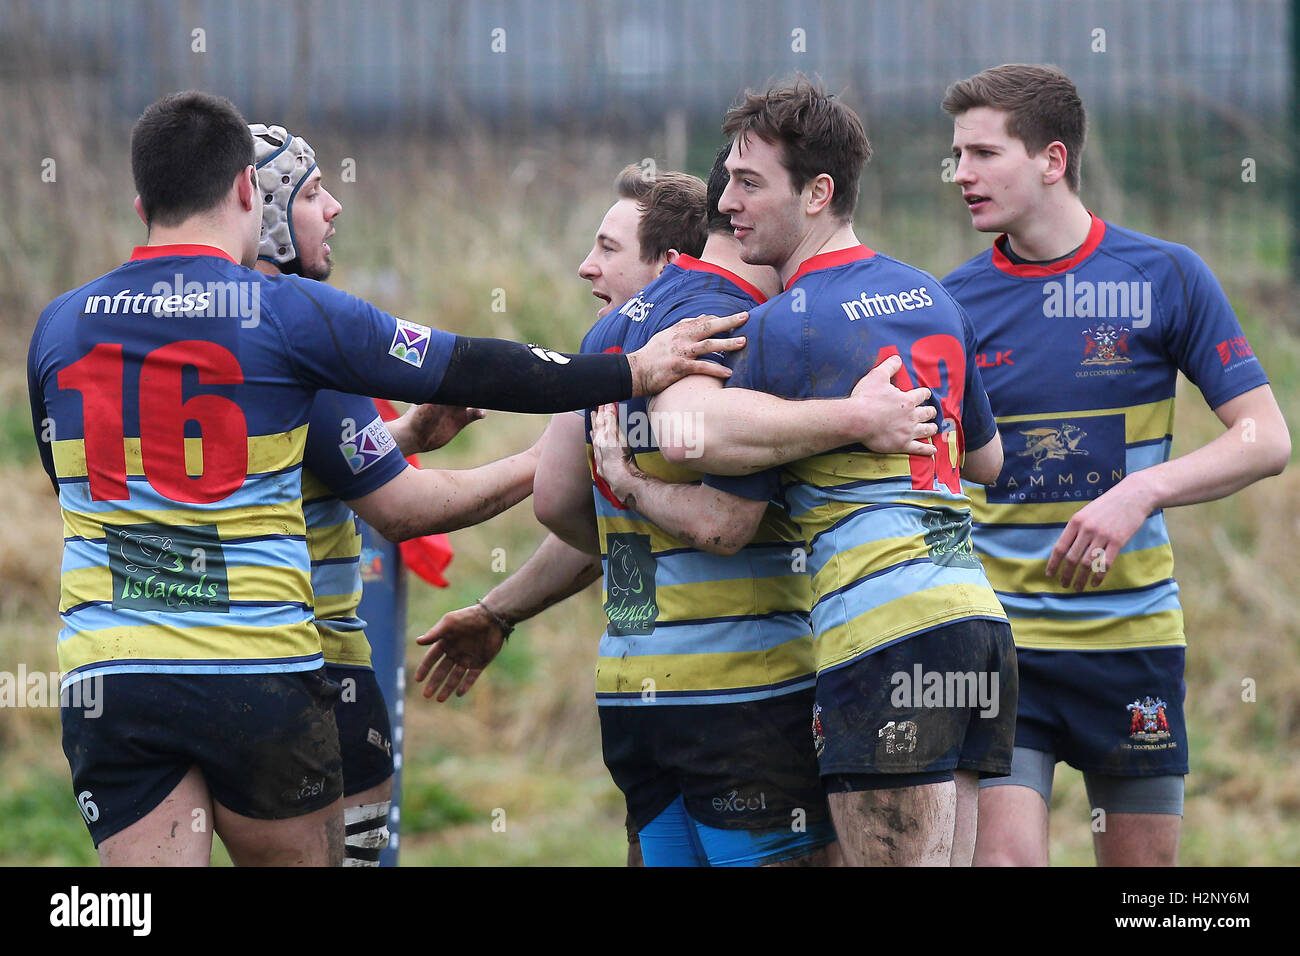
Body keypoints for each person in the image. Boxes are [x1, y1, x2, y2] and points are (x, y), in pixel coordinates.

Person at [27, 90, 745, 866]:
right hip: (252, 670)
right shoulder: (288, 312)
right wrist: (629, 369)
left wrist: (398, 438)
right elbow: (471, 364)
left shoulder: (59, 325)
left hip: (110, 676)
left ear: (143, 203)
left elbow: (89, 483)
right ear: (245, 190)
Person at [416, 149, 948, 866]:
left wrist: (626, 521)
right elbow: (722, 522)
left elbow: (559, 502)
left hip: (634, 695)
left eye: (606, 248)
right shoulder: (735, 323)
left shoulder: (607, 342)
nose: (586, 267)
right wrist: (852, 421)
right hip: (743, 691)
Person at [650, 76, 1015, 866]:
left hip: (884, 636)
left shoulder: (783, 326)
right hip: (974, 626)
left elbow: (712, 490)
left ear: (818, 192)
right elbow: (989, 460)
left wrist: (629, 475)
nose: (728, 204)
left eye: (749, 183)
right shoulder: (933, 295)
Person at [939, 64, 1290, 866]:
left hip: (1131, 643)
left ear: (1052, 160)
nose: (960, 174)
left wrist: (1142, 490)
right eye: (957, 155)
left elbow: (1265, 439)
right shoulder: (951, 303)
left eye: (983, 154)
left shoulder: (1164, 276)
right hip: (1003, 649)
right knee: (1002, 863)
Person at [248, 122, 550, 865]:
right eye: (314, 193)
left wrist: (406, 435)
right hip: (303, 659)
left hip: (215, 662)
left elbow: (300, 467)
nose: (337, 207)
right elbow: (404, 509)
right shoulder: (294, 329)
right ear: (258, 213)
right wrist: (549, 459)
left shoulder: (207, 325)